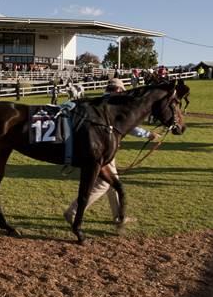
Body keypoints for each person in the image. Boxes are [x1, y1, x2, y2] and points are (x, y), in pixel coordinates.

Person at [63, 77, 160, 226]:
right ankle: (73, 211)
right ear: (119, 90)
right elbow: (129, 126)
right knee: (104, 184)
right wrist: (149, 134)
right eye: (121, 90)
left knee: (113, 182)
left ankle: (118, 217)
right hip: (102, 150)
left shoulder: (100, 101)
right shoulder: (112, 105)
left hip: (99, 148)